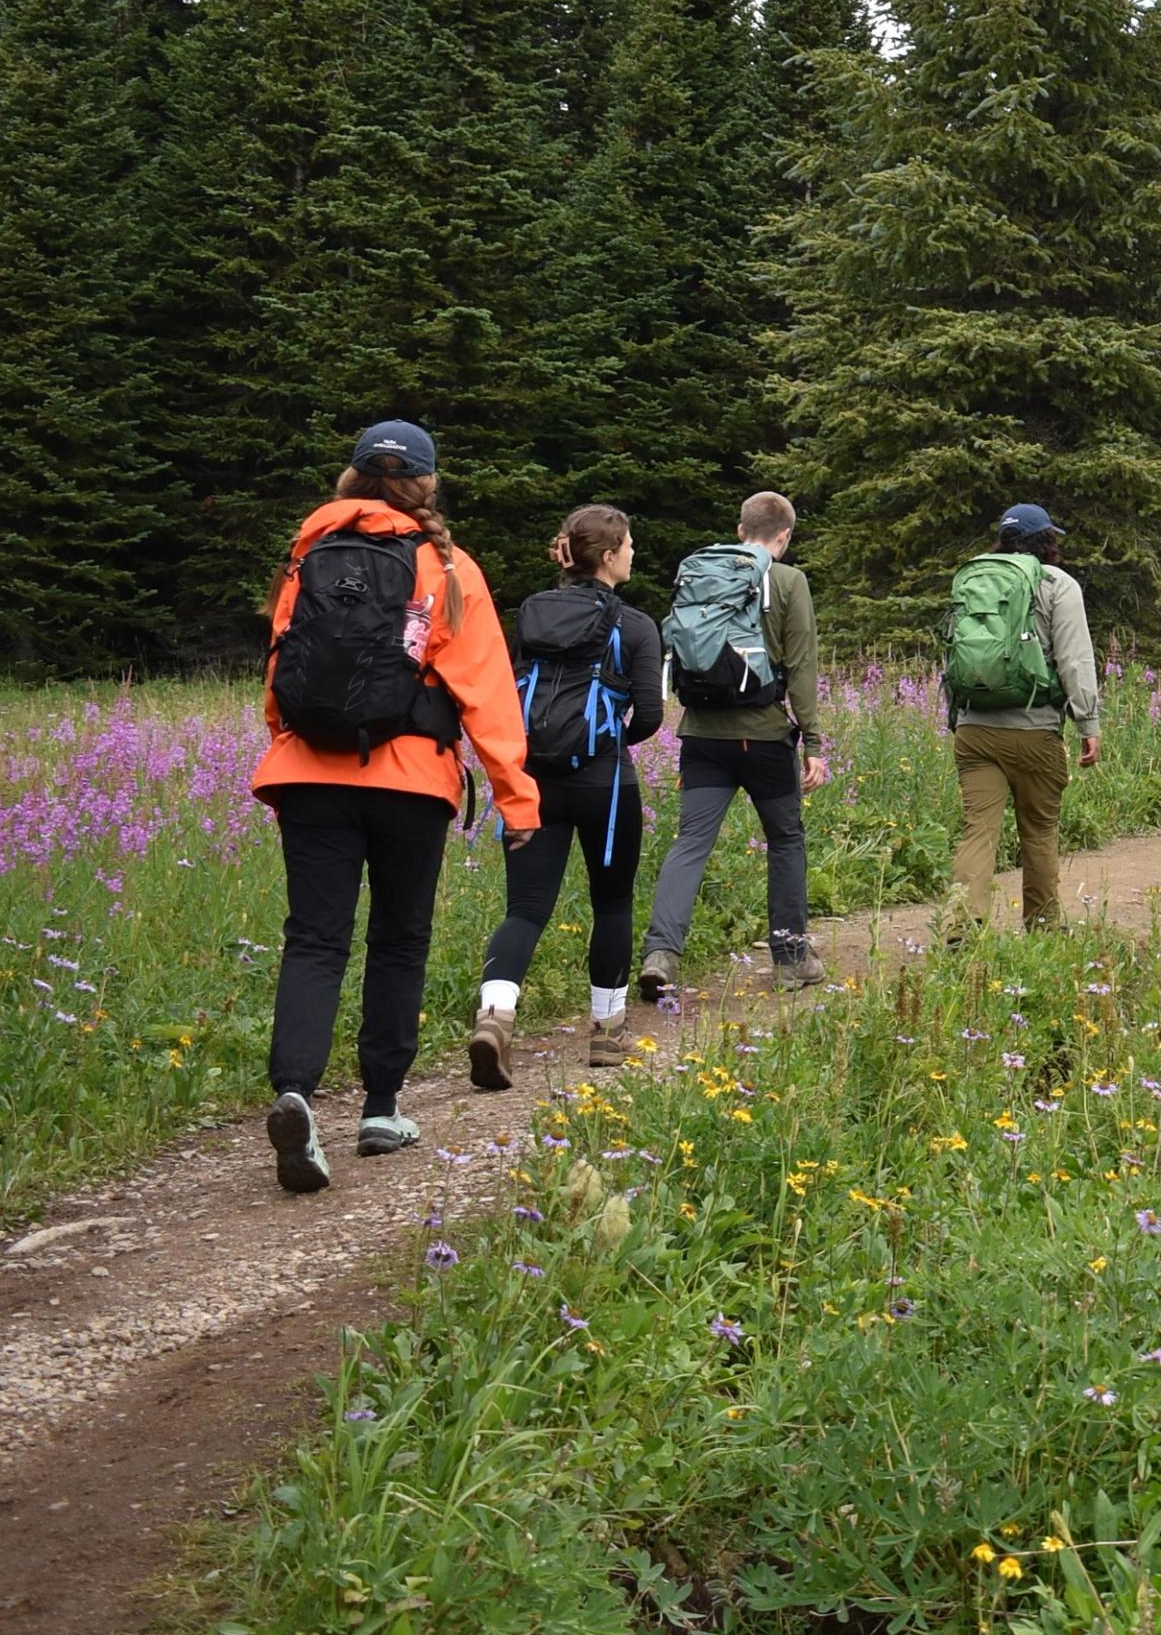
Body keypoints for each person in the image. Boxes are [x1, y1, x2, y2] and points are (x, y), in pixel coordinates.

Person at [251, 419, 540, 1195]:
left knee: (313, 939)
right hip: (411, 780)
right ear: (427, 485)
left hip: (307, 773)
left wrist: (291, 744)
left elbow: (283, 660)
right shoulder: (446, 567)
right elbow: (486, 695)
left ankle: (296, 1095)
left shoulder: (307, 552)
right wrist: (517, 803)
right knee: (399, 938)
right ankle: (381, 1107)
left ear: (352, 479)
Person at [470, 504, 666, 1081]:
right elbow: (651, 715)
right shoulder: (635, 625)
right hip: (605, 783)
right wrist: (609, 744)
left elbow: (507, 694)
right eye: (628, 544)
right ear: (607, 557)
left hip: (532, 780)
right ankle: (607, 1032)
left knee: (525, 909)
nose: (633, 553)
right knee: (612, 903)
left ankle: (496, 1016)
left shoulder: (531, 614)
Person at [637, 489, 827, 993]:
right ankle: (790, 959)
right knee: (785, 840)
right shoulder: (788, 580)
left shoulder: (701, 573)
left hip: (701, 736)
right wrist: (815, 744)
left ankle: (660, 952)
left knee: (691, 843)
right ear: (783, 536)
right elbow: (803, 666)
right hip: (764, 738)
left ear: (741, 530)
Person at [941, 502, 1103, 932]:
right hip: (1035, 730)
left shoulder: (975, 576)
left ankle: (961, 926)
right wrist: (1088, 723)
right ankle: (1044, 926)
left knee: (978, 830)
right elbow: (1074, 660)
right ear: (1046, 540)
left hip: (975, 729)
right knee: (1039, 830)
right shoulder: (1058, 585)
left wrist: (956, 716)